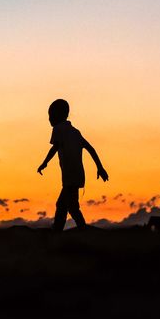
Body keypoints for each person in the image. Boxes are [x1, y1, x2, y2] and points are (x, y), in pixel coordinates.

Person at [37, 99, 108, 231]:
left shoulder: (58, 129)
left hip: (70, 176)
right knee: (63, 205)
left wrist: (44, 163)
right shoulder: (75, 132)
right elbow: (90, 149)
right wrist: (100, 167)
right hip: (77, 175)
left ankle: (82, 231)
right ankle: (57, 231)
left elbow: (55, 148)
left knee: (72, 208)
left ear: (58, 115)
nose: (49, 119)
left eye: (51, 115)